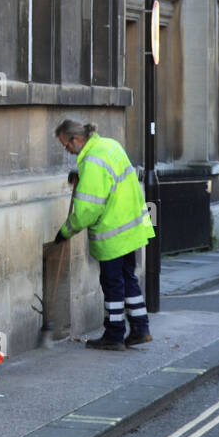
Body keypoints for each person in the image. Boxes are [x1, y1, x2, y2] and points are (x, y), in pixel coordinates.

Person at [52, 119, 155, 351]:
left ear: (76, 139)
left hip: (113, 233)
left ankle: (114, 334)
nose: (67, 150)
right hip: (131, 227)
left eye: (65, 145)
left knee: (112, 283)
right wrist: (81, 175)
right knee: (128, 278)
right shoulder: (110, 146)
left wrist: (65, 231)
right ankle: (140, 328)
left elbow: (88, 210)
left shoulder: (92, 160)